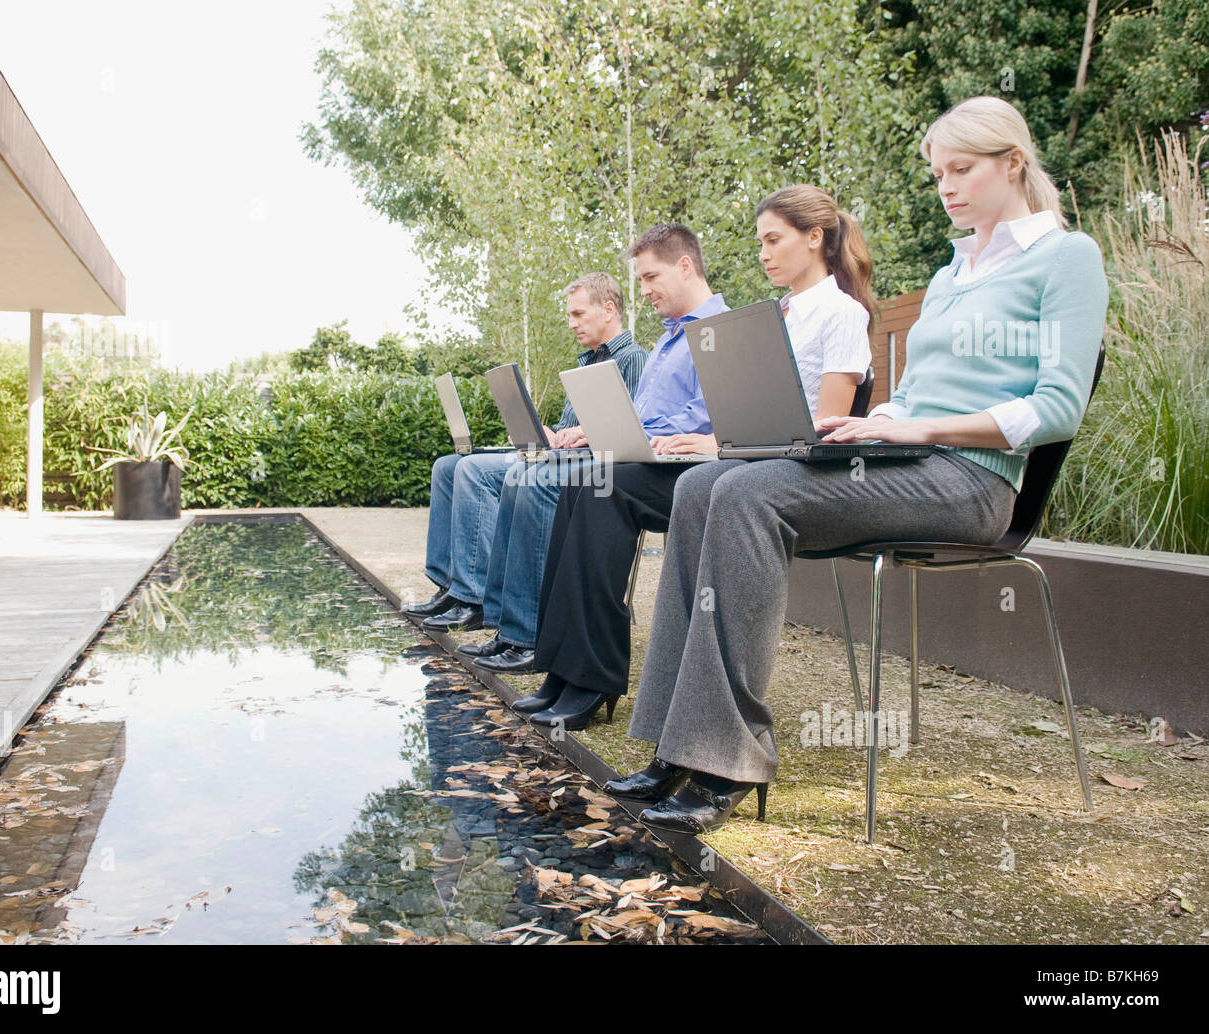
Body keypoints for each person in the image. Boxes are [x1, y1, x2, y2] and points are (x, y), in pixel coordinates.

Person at [610, 95, 1109, 834]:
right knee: (701, 485)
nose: (946, 185)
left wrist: (921, 429)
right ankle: (673, 743)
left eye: (961, 169)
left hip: (974, 482)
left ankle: (726, 755)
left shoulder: (1068, 257)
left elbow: (1058, 408)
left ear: (1013, 163)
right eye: (938, 172)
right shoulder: (952, 274)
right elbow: (904, 394)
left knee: (748, 495)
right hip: (904, 460)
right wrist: (864, 424)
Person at [519, 185, 876, 732]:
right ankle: (567, 670)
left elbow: (823, 432)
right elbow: (742, 410)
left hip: (770, 474)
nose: (762, 253)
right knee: (586, 482)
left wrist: (714, 443)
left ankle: (592, 677)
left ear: (815, 237)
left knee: (604, 486)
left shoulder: (841, 314)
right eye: (760, 241)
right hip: (732, 461)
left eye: (772, 240)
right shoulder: (775, 315)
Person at [467, 223, 726, 675]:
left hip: (683, 468)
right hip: (638, 457)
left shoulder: (718, 331)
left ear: (685, 266)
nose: (643, 291)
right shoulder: (668, 340)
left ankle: (556, 652)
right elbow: (641, 415)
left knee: (575, 483)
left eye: (650, 278)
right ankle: (537, 644)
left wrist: (630, 435)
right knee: (555, 479)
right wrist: (597, 432)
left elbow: (707, 418)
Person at [403, 273, 645, 629]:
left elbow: (634, 430)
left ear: (609, 310)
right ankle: (451, 586)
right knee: (448, 466)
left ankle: (474, 599)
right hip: (562, 454)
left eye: (578, 314)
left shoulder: (634, 358)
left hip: (596, 466)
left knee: (474, 471)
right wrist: (552, 432)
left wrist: (585, 433)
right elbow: (573, 429)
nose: (571, 323)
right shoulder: (588, 361)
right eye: (570, 315)